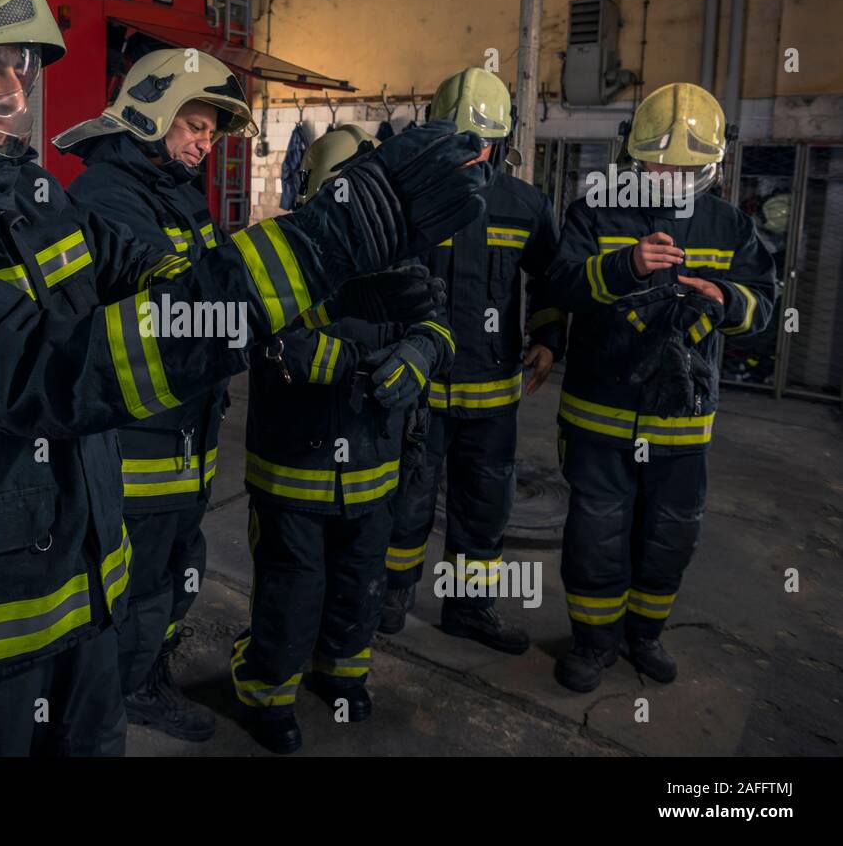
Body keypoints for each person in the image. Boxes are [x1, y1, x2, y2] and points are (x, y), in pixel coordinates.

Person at [0, 0, 492, 755]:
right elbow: (50, 371)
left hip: (81, 613)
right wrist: (322, 244)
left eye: (22, 65)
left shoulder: (28, 191)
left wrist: (332, 271)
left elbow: (158, 278)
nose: (13, 89)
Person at [230, 125, 455, 754]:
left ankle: (343, 677)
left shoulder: (398, 255)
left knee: (360, 585)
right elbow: (248, 327)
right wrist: (315, 354)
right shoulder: (276, 247)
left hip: (373, 470)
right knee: (290, 590)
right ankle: (267, 695)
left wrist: (418, 351)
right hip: (291, 470)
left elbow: (442, 327)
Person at [546, 82, 777, 692]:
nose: (671, 174)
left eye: (687, 166)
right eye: (657, 162)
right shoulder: (593, 211)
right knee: (596, 531)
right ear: (631, 155)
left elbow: (766, 312)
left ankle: (644, 635)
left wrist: (727, 300)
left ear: (714, 164)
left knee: (670, 531)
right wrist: (622, 266)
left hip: (683, 423)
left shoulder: (732, 226)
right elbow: (561, 287)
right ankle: (593, 643)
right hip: (599, 414)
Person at [55, 48, 254, 742]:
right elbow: (174, 309)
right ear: (150, 113)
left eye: (211, 131)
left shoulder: (173, 191)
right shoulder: (111, 196)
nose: (206, 142)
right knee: (138, 585)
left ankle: (144, 672)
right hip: (139, 444)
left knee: (177, 571)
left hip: (184, 437)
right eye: (196, 125)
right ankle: (127, 691)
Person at [380, 67, 565, 652]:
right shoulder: (404, 199)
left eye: (482, 141)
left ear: (501, 142)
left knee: (483, 510)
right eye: (459, 139)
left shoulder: (525, 205)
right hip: (419, 395)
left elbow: (554, 278)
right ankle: (392, 593)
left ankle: (469, 608)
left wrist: (547, 337)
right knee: (406, 501)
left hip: (492, 399)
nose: (472, 152)